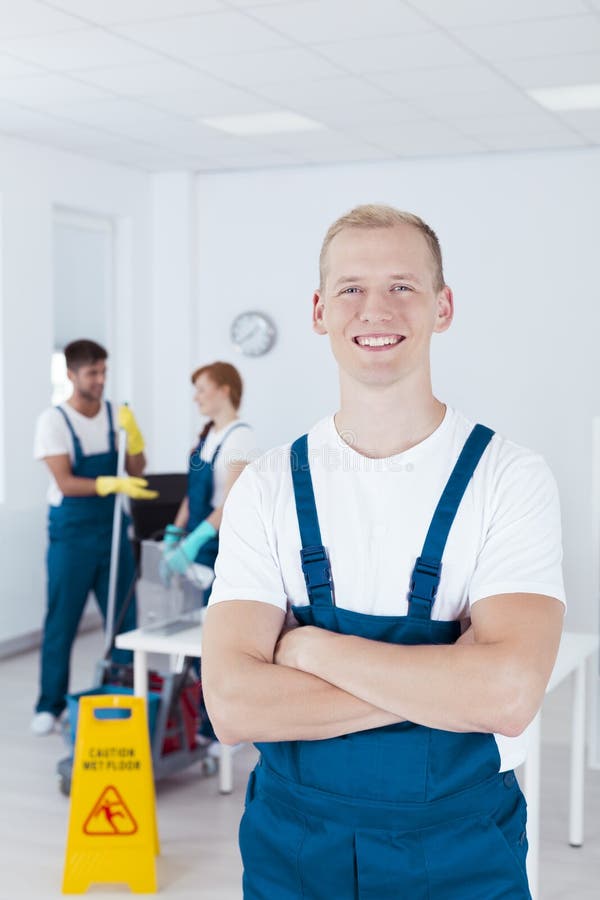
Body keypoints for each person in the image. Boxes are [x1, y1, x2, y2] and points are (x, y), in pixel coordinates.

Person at [202, 205, 565, 899]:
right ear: (319, 311)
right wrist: (449, 683)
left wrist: (307, 649)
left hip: (460, 853)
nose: (376, 309)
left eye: (402, 285)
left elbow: (509, 694)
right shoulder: (268, 485)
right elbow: (233, 706)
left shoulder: (509, 477)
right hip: (294, 850)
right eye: (351, 288)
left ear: (443, 306)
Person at [31, 339, 156, 736]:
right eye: (92, 373)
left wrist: (134, 438)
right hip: (71, 535)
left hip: (112, 530)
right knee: (62, 620)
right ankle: (50, 705)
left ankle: (121, 696)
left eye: (104, 372)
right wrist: (107, 483)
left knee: (125, 620)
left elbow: (136, 470)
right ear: (71, 374)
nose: (100, 380)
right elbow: (65, 482)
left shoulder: (114, 414)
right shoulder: (54, 421)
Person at [161, 361, 256, 594]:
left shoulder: (240, 438)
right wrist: (174, 533)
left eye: (202, 390)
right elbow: (192, 491)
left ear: (224, 391)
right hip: (194, 536)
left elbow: (231, 503)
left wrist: (195, 541)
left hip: (217, 543)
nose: (196, 398)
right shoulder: (209, 435)